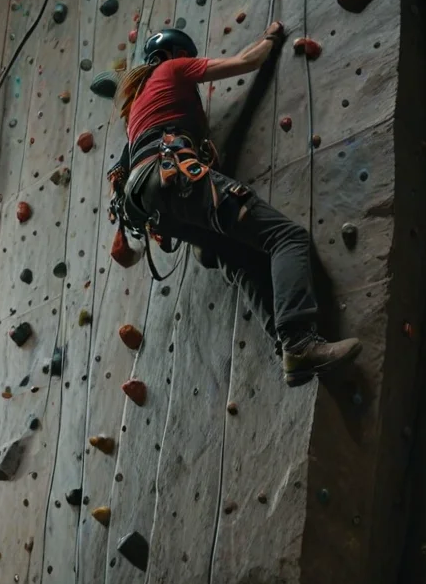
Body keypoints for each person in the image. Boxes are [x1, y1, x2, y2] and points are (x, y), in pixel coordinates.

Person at [106, 22, 361, 386]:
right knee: (287, 238)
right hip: (175, 177)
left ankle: (291, 352)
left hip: (156, 206)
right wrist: (271, 37)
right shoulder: (173, 69)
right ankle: (299, 341)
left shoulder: (137, 110)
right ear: (177, 54)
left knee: (241, 259)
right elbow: (246, 61)